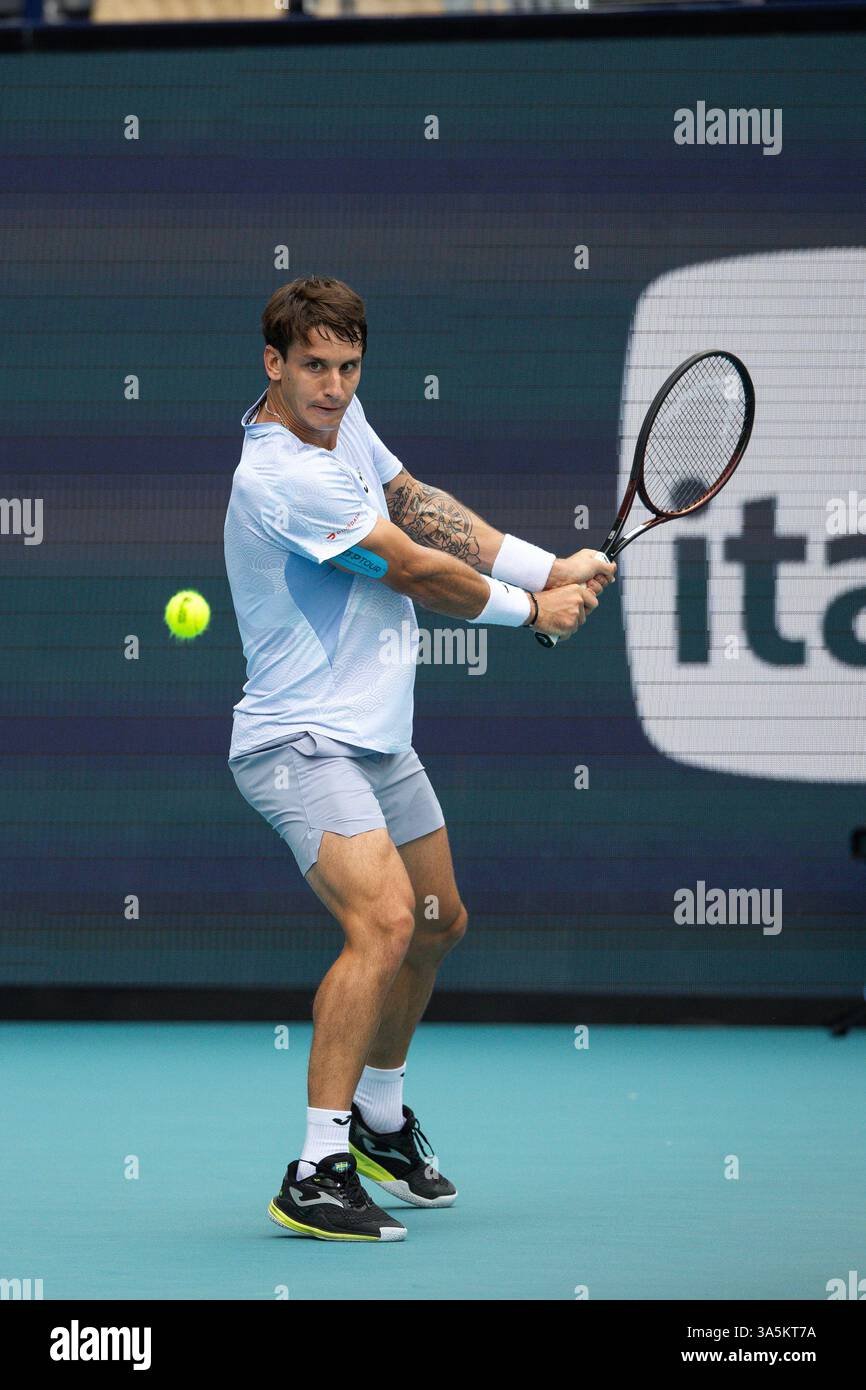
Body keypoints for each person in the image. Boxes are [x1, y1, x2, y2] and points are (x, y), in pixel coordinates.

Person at [224, 275, 615, 1242]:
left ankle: (380, 1122)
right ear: (273, 366)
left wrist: (545, 565)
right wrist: (533, 611)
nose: (334, 385)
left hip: (376, 741)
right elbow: (411, 565)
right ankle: (316, 1167)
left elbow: (415, 501)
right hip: (295, 741)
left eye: (349, 367)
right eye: (313, 366)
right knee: (385, 920)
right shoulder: (279, 475)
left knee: (439, 921)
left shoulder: (344, 429)